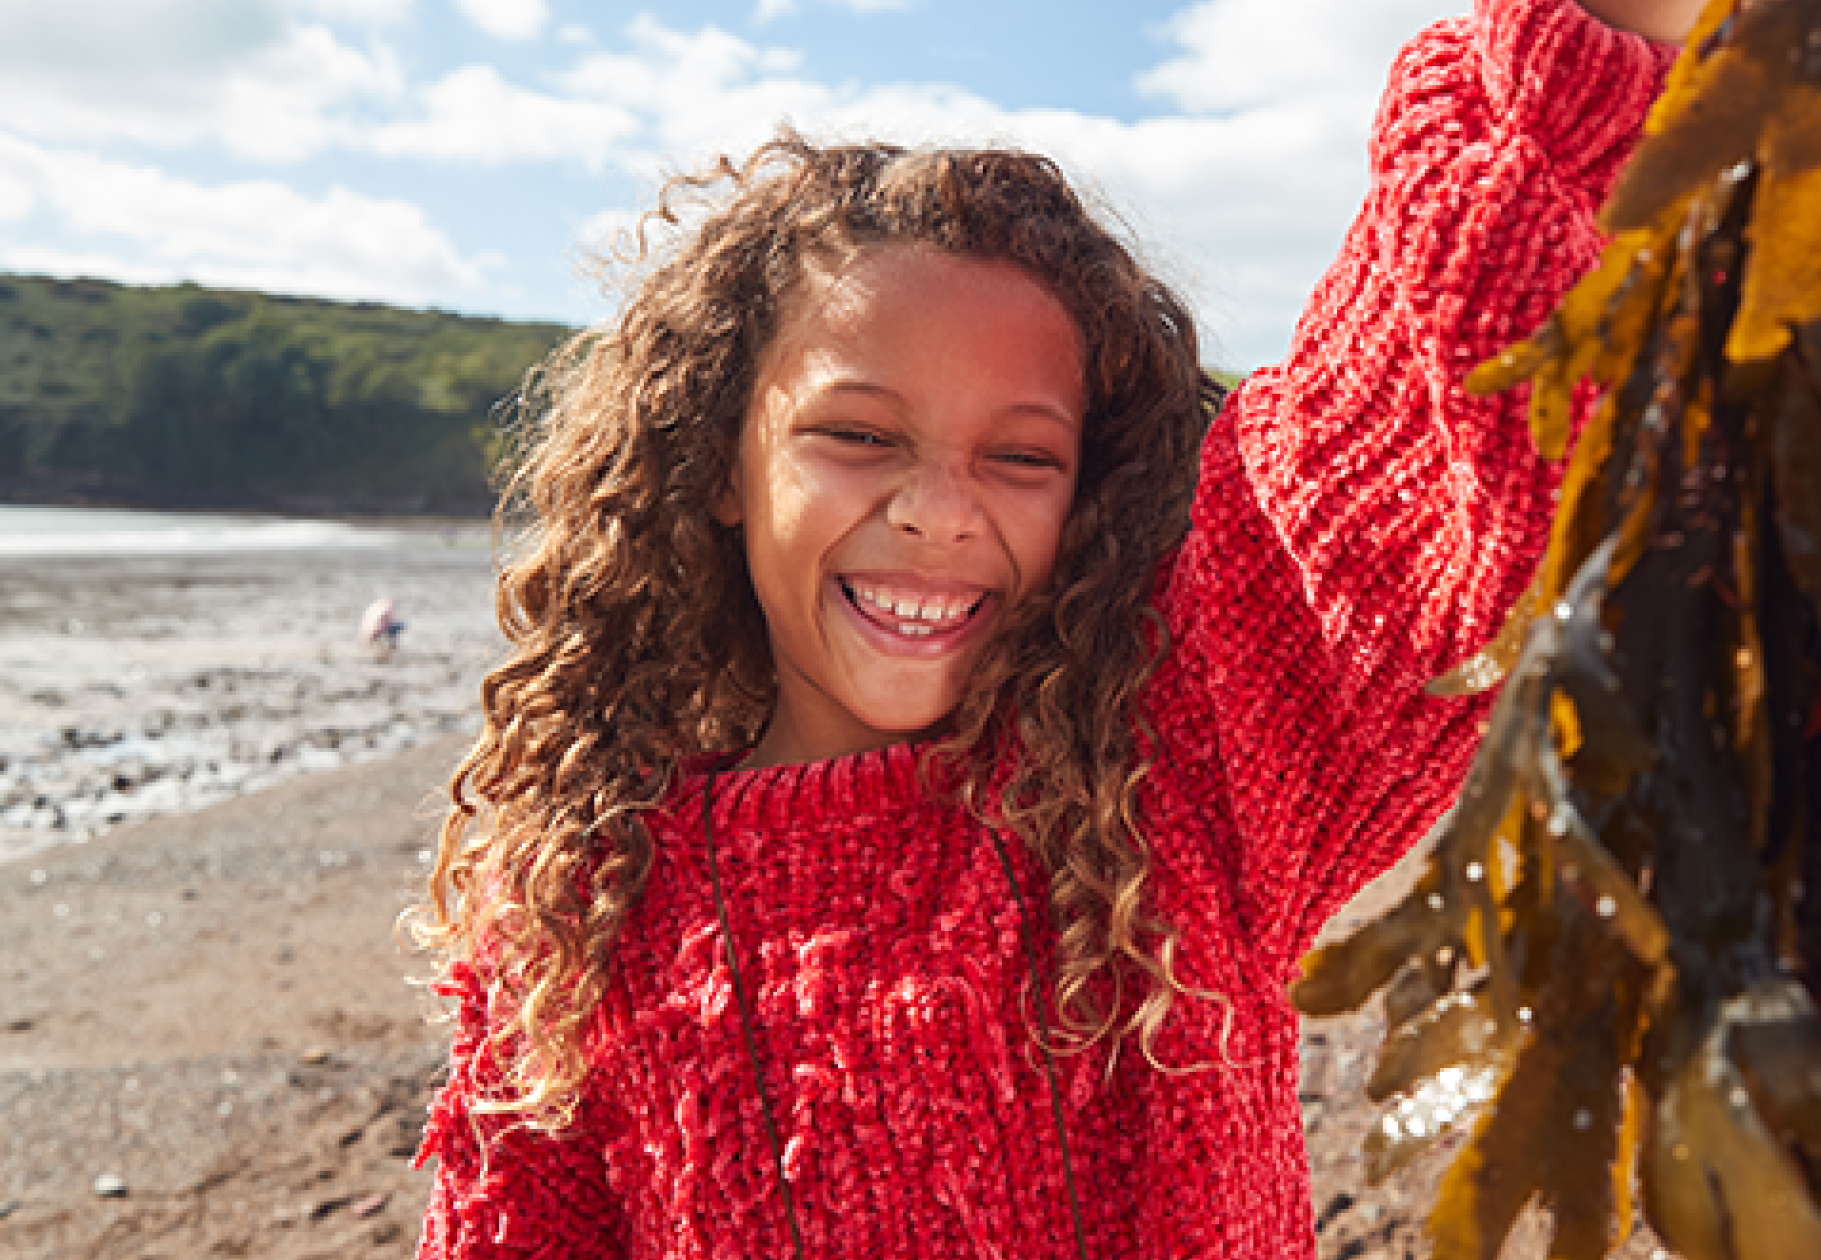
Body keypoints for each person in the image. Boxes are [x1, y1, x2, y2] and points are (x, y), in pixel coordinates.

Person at [411, 0, 1706, 1255]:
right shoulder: (579, 921)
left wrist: (1597, 39)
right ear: (715, 467)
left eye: (1022, 458)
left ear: (1091, 496)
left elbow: (1399, 426)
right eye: (859, 436)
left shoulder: (1174, 784)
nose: (937, 511)